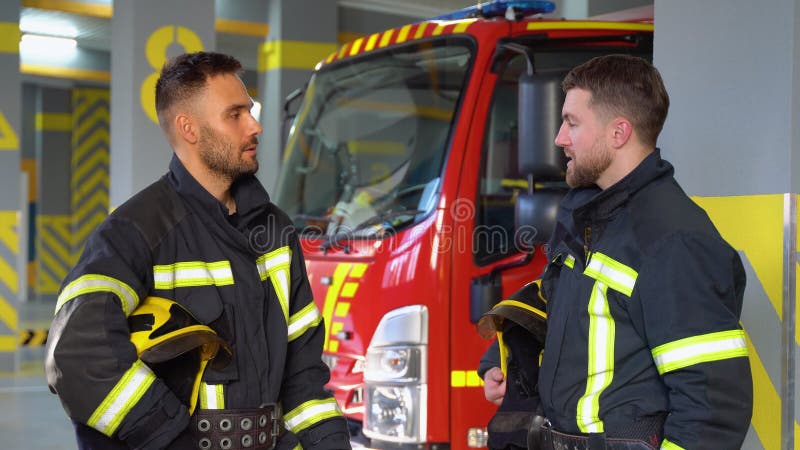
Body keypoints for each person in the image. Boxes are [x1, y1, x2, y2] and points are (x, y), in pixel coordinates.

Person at [45, 51, 351, 450]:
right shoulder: (134, 230)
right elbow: (78, 353)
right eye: (235, 114)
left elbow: (304, 376)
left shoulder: (276, 230)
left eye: (250, 111)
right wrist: (171, 437)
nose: (255, 126)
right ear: (189, 128)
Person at [481, 54, 752, 450]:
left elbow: (711, 408)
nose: (559, 138)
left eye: (572, 122)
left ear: (619, 132)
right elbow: (559, 302)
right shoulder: (587, 214)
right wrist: (501, 358)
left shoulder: (674, 241)